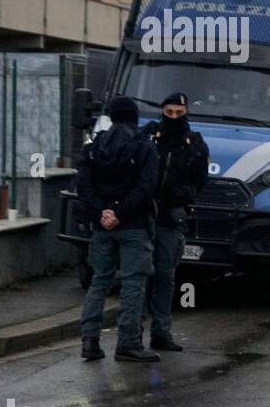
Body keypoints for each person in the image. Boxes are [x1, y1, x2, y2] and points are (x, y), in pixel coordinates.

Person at [76, 96, 161, 362]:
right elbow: (146, 189)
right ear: (134, 117)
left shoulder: (93, 147)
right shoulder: (144, 147)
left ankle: (90, 341)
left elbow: (84, 187)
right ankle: (128, 343)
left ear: (112, 116)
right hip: (134, 225)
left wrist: (102, 212)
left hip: (102, 227)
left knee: (99, 281)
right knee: (133, 282)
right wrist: (120, 212)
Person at [139, 93, 210, 352]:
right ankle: (134, 335)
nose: (174, 118)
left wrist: (184, 197)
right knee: (139, 275)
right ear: (162, 112)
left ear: (186, 113)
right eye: (169, 113)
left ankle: (161, 333)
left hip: (172, 216)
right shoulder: (149, 136)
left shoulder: (194, 142)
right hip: (144, 214)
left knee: (165, 277)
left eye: (179, 113)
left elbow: (201, 178)